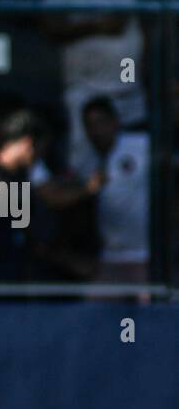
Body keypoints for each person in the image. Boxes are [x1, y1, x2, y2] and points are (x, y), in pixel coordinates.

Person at [43, 0, 146, 172]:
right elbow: (50, 27)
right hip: (88, 90)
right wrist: (96, 26)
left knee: (131, 168)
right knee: (85, 168)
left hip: (129, 92)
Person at [77, 96, 151, 286]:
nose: (96, 131)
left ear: (115, 122)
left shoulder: (142, 146)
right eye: (89, 125)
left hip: (146, 255)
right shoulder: (85, 161)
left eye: (101, 122)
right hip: (110, 256)